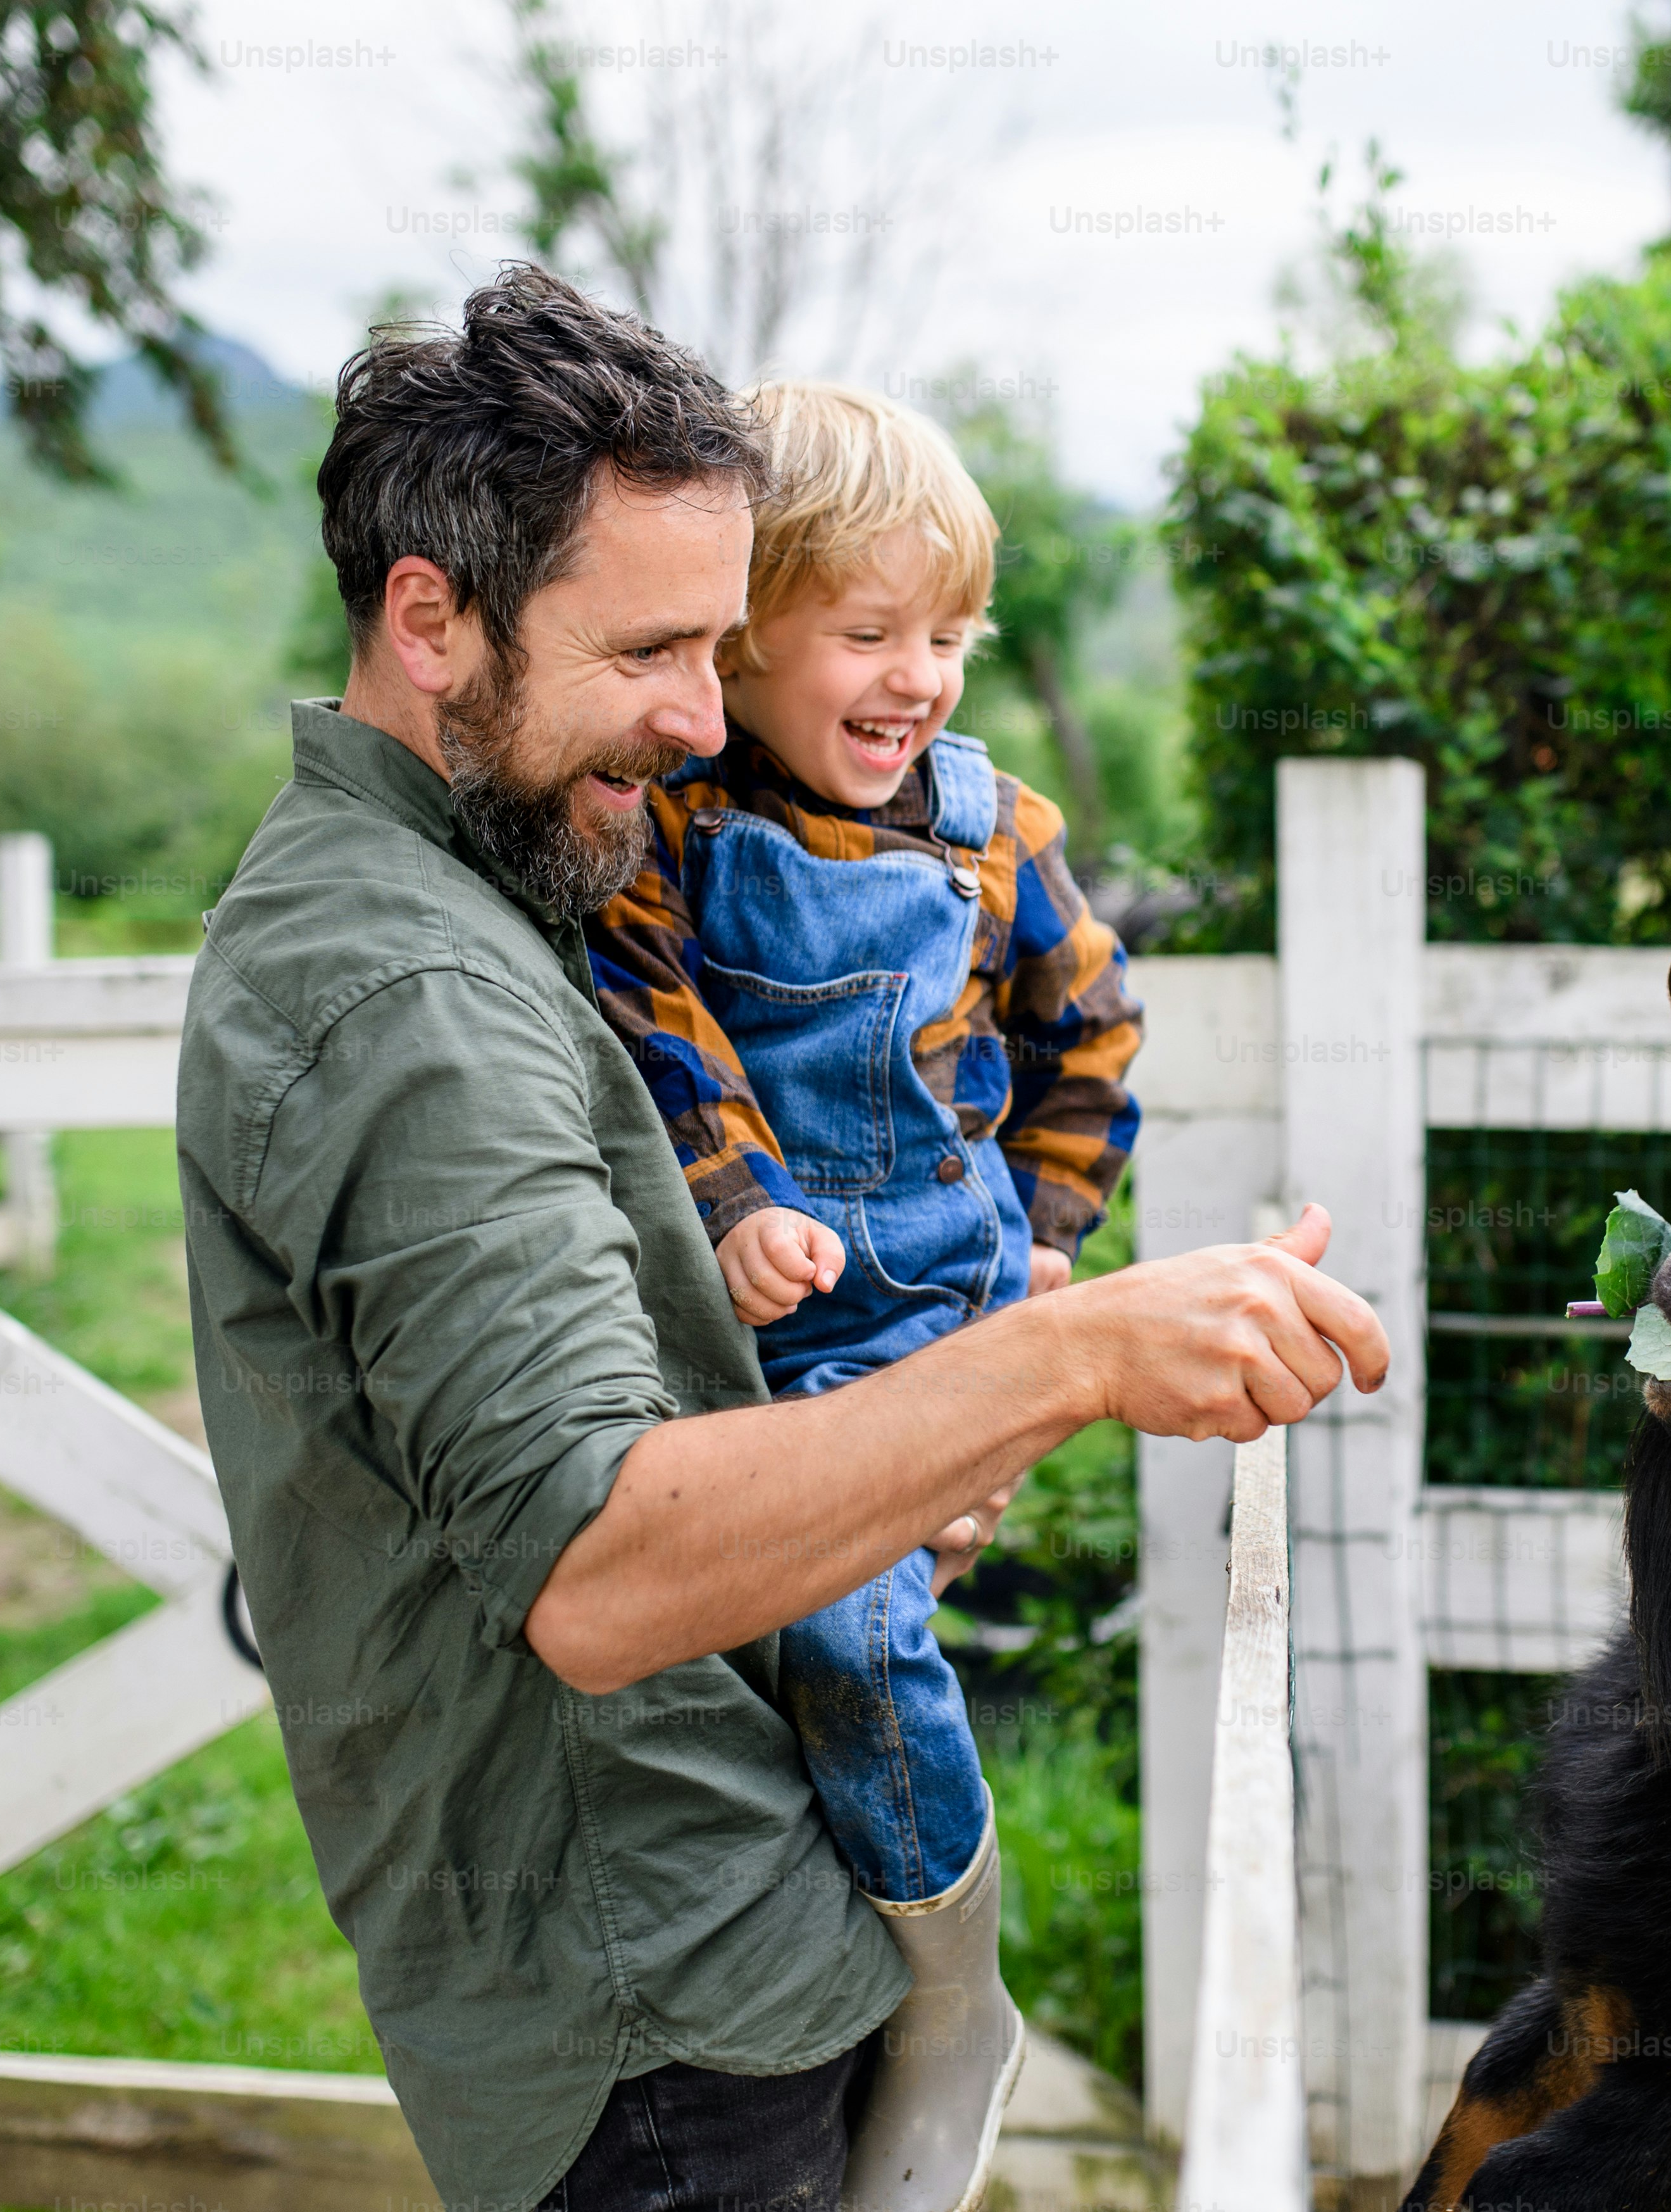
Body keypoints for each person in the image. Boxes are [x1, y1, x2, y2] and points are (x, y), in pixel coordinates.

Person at [176, 264, 1387, 2212]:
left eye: (719, 646)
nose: (690, 718)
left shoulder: (513, 873)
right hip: (656, 1996)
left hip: (731, 1899)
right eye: (649, 650)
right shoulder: (405, 989)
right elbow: (596, 1567)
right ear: (430, 617)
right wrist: (1062, 1359)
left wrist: (911, 1440)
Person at [582, 380, 1141, 2212]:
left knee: (849, 1627)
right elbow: (651, 1011)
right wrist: (733, 1195)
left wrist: (1051, 1236)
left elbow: (1095, 1034)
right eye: (871, 632)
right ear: (742, 643)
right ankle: (821, 1967)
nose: (920, 679)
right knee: (723, 1639)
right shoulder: (669, 825)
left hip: (934, 1305)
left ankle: (946, 1981)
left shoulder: (993, 827)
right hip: (760, 1315)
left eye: (953, 637)